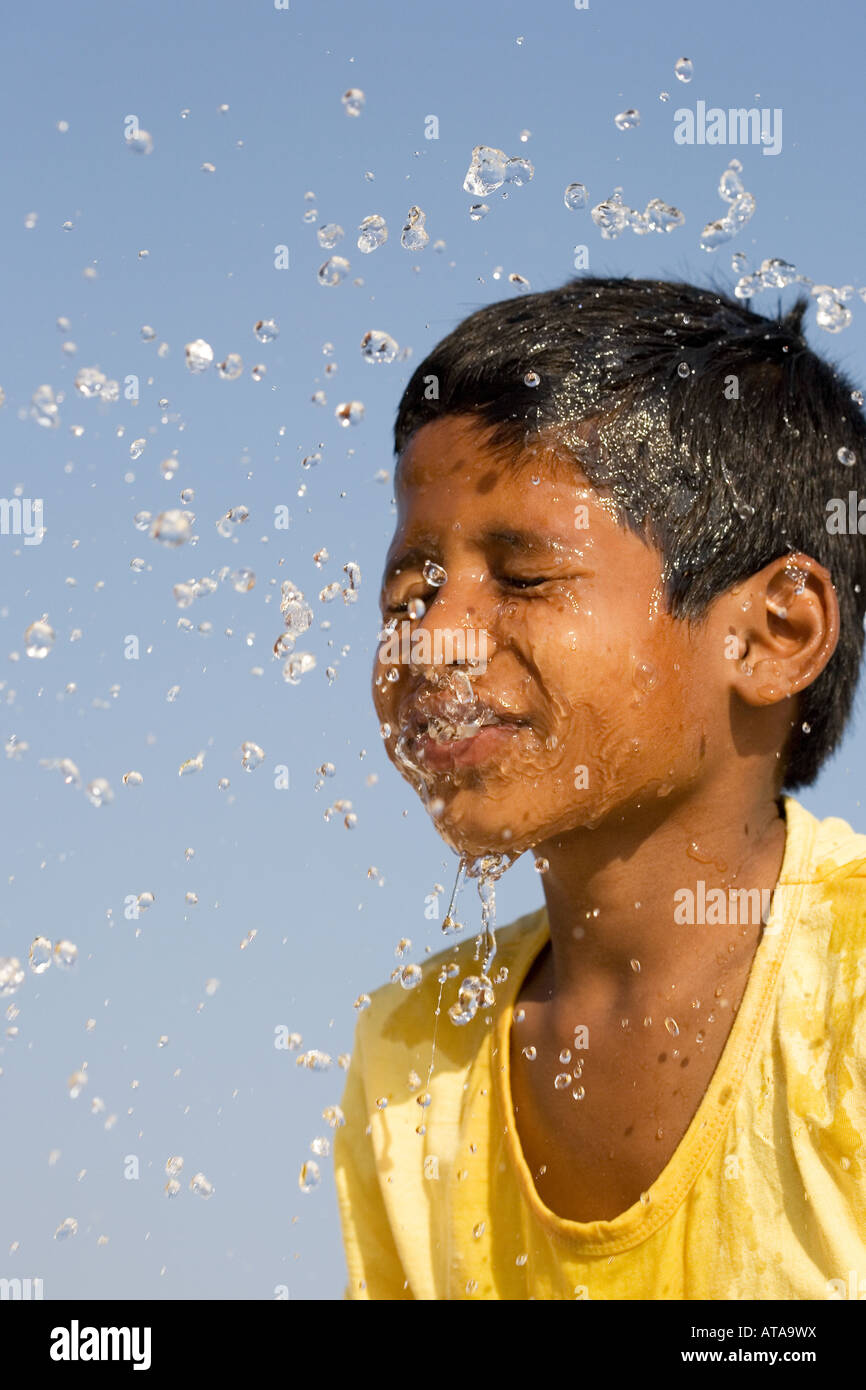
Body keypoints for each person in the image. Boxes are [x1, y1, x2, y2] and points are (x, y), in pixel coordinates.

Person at [333, 276, 866, 1299]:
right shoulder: (412, 1052)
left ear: (770, 634)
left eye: (524, 579)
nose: (432, 639)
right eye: (411, 589)